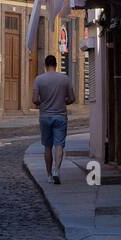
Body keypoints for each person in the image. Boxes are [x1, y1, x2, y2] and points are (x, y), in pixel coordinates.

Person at [32, 54, 75, 184]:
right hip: (60, 116)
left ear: (45, 65)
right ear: (56, 65)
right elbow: (72, 98)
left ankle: (49, 175)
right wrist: (62, 101)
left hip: (45, 116)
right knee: (59, 145)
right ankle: (57, 170)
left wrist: (43, 102)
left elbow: (34, 99)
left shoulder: (39, 80)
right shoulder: (65, 79)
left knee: (47, 146)